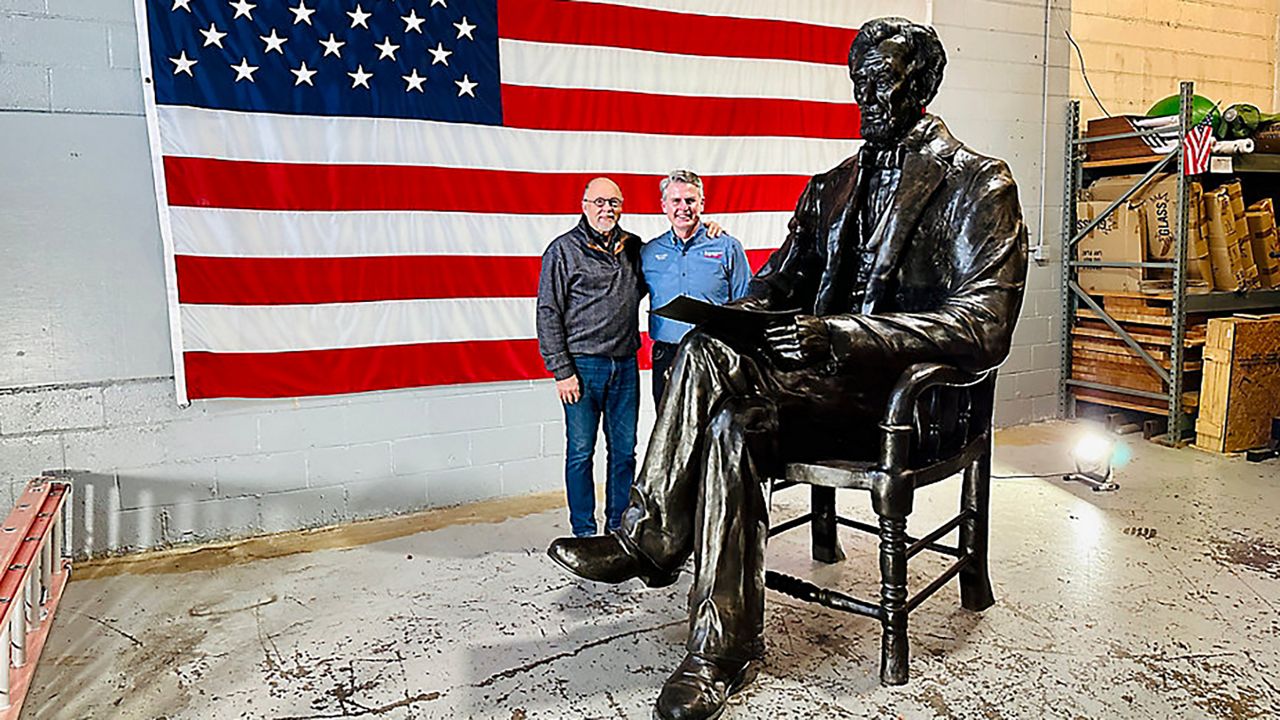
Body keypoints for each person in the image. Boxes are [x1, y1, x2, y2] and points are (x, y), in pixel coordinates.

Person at [545, 17, 1028, 720]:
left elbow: (983, 327)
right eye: (857, 81)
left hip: (912, 406)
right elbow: (777, 287)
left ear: (922, 85)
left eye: (881, 81)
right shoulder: (830, 184)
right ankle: (720, 648)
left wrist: (841, 334)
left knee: (721, 396)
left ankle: (653, 538)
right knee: (719, 387)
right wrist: (739, 317)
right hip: (820, 394)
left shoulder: (977, 183)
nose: (865, 95)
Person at [536, 178, 644, 538]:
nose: (605, 209)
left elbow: (669, 264)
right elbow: (548, 312)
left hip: (626, 365)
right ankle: (583, 531)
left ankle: (617, 528)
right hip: (582, 368)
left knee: (625, 452)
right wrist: (561, 370)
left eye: (613, 202)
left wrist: (707, 231)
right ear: (583, 205)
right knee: (582, 453)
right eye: (598, 202)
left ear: (622, 206)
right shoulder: (563, 251)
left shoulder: (634, 249)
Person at [642, 170, 751, 406]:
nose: (683, 207)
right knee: (670, 431)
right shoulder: (648, 253)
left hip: (715, 352)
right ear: (664, 206)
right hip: (668, 355)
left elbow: (746, 305)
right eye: (676, 201)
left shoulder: (727, 247)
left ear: (701, 203)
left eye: (690, 201)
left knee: (716, 429)